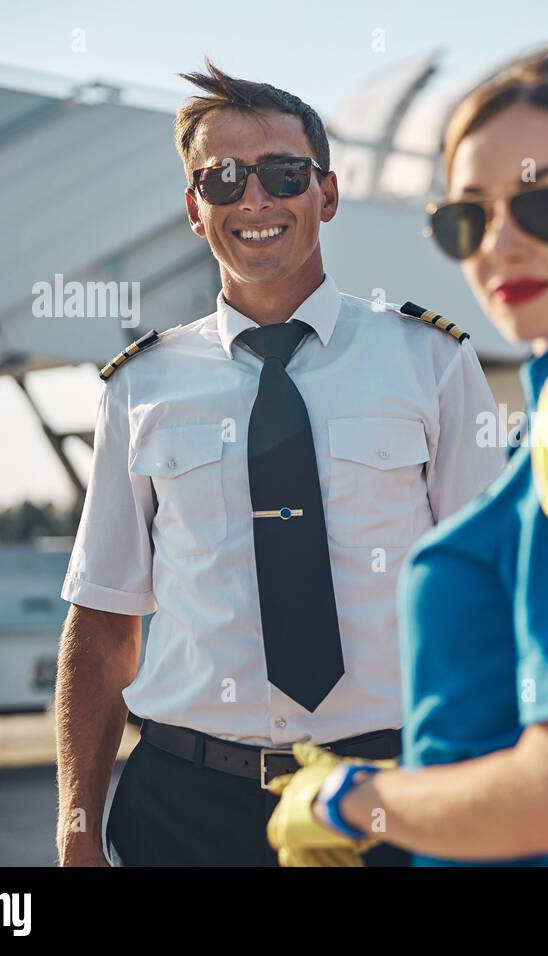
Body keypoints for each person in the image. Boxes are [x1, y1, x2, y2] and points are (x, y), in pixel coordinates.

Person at [54, 59, 505, 867]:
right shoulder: (140, 388)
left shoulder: (431, 363)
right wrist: (77, 825)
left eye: (282, 174)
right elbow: (103, 621)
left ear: (325, 195)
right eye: (221, 179)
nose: (254, 199)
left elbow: (491, 592)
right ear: (196, 211)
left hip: (387, 796)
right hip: (186, 807)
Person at [267, 53, 548, 866]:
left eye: (545, 203)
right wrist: (436, 794)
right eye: (467, 219)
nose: (501, 246)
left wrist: (348, 803)